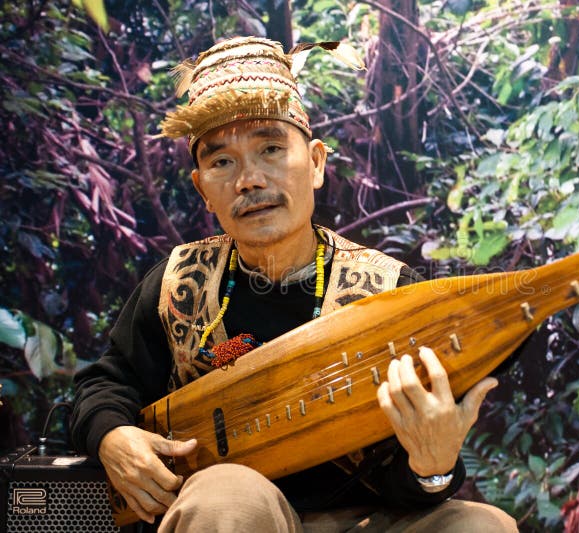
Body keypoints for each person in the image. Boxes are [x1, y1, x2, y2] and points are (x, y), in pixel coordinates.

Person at [70, 36, 517, 532]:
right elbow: (106, 383)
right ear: (202, 189)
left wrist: (433, 465)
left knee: (481, 526)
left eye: (271, 149)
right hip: (231, 516)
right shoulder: (180, 284)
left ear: (317, 163)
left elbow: (409, 480)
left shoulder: (387, 290)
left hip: (367, 522)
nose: (249, 180)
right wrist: (111, 436)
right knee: (229, 496)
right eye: (222, 162)